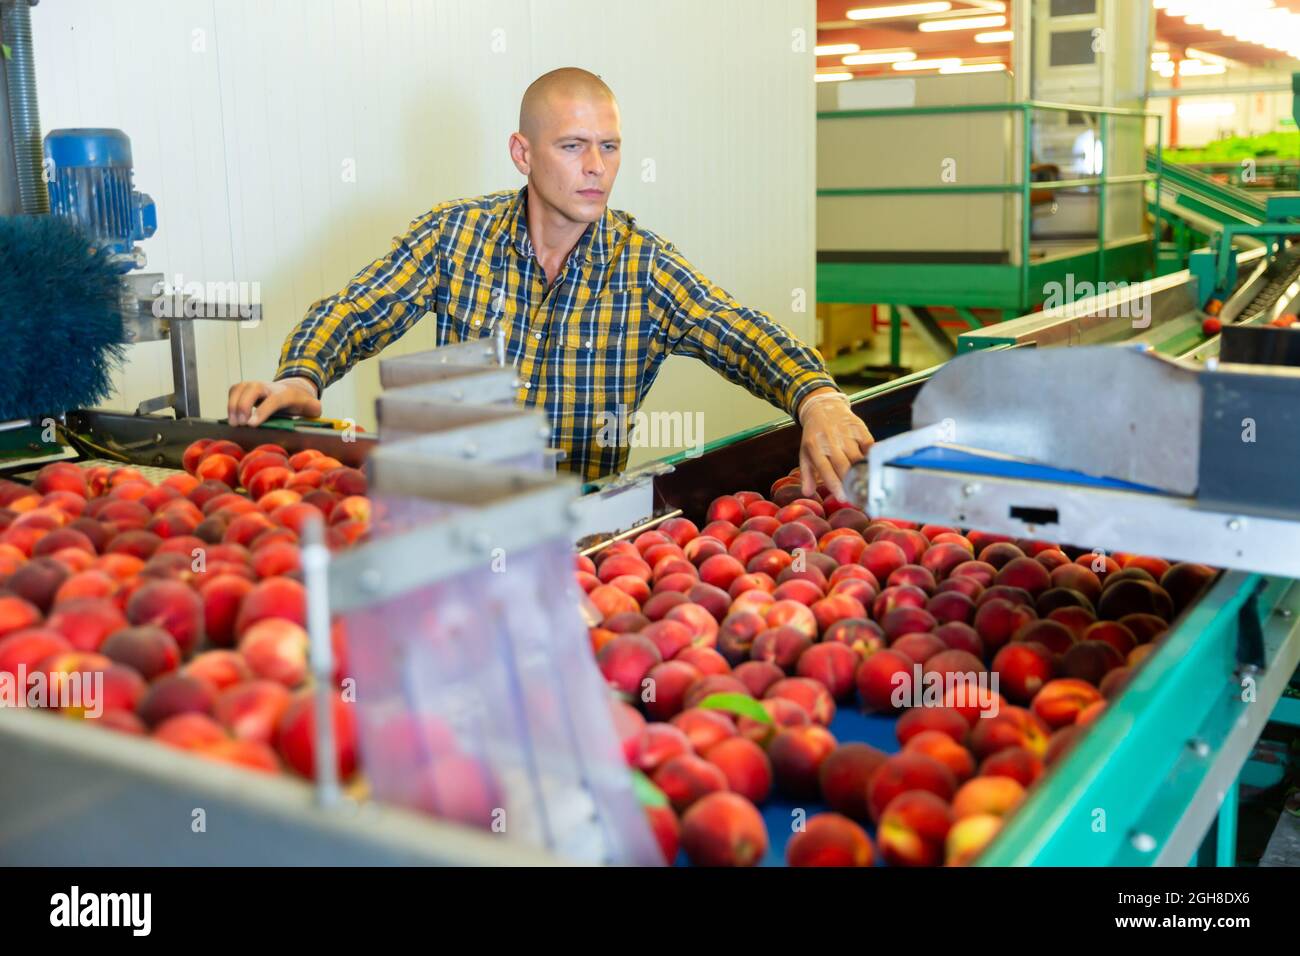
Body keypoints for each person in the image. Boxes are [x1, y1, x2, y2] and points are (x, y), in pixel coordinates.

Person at [227, 68, 872, 497]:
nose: (596, 168)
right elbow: (360, 308)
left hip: (579, 536)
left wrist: (817, 397)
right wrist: (301, 375)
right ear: (522, 153)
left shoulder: (641, 267)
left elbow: (739, 332)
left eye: (610, 147)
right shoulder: (455, 238)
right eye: (572, 146)